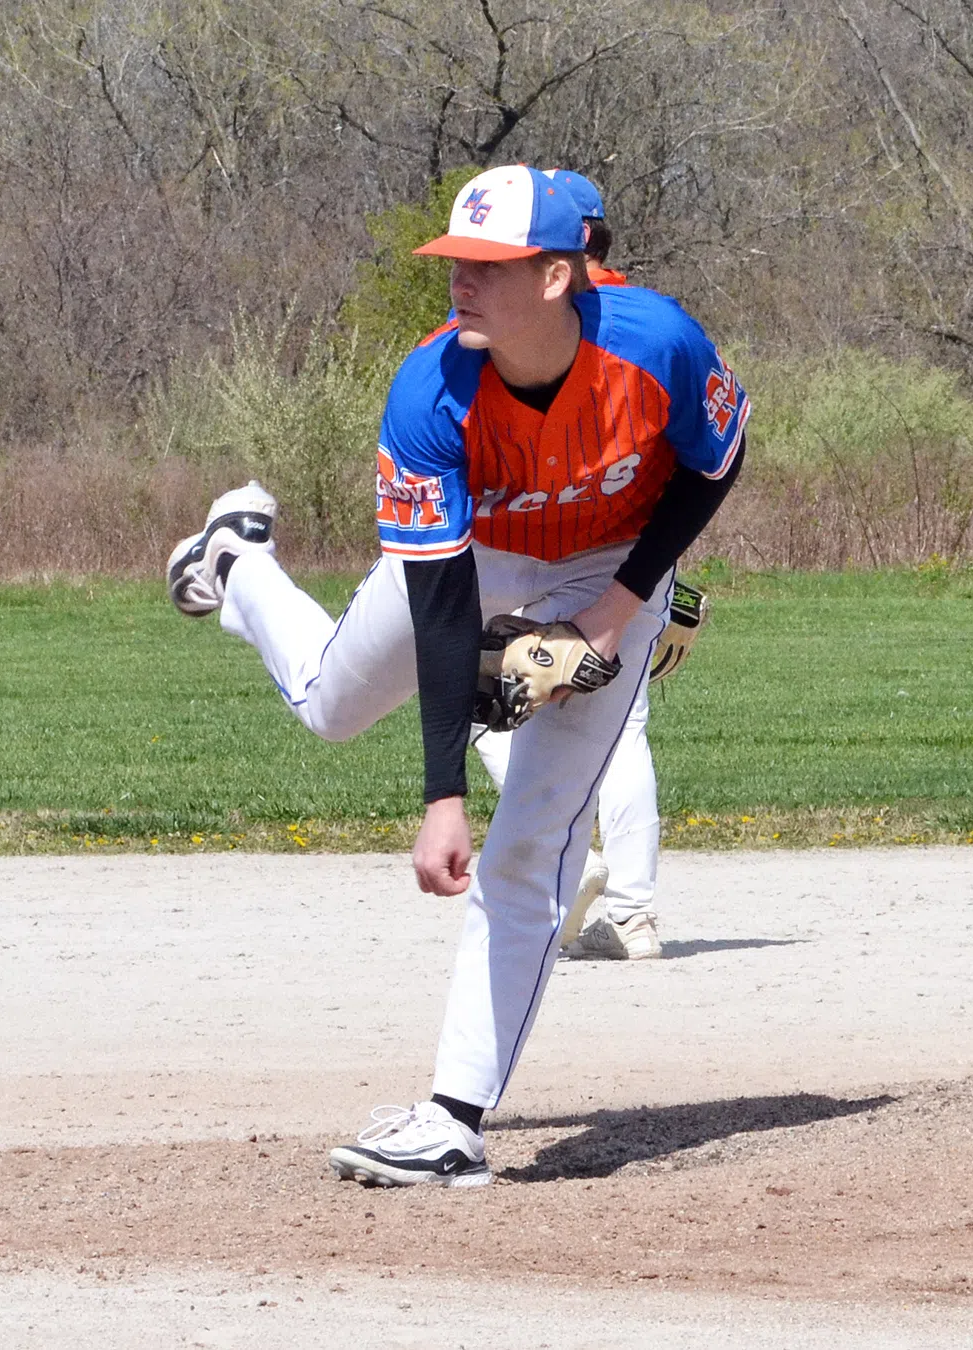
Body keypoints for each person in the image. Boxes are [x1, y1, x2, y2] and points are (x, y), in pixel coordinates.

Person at [164, 164, 747, 1188]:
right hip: (476, 558)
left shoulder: (657, 343)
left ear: (560, 276)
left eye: (486, 264)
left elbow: (714, 466)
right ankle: (237, 563)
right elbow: (438, 605)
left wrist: (614, 618)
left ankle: (450, 1119)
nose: (458, 282)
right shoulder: (430, 388)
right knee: (331, 707)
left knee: (536, 842)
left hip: (610, 568)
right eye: (454, 261)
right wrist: (441, 798)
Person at [471, 167, 665, 961]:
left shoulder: (547, 322)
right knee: (622, 728)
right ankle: (635, 911)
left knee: (477, 693)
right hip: (634, 559)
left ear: (564, 251)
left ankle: (564, 842)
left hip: (533, 545)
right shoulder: (640, 317)